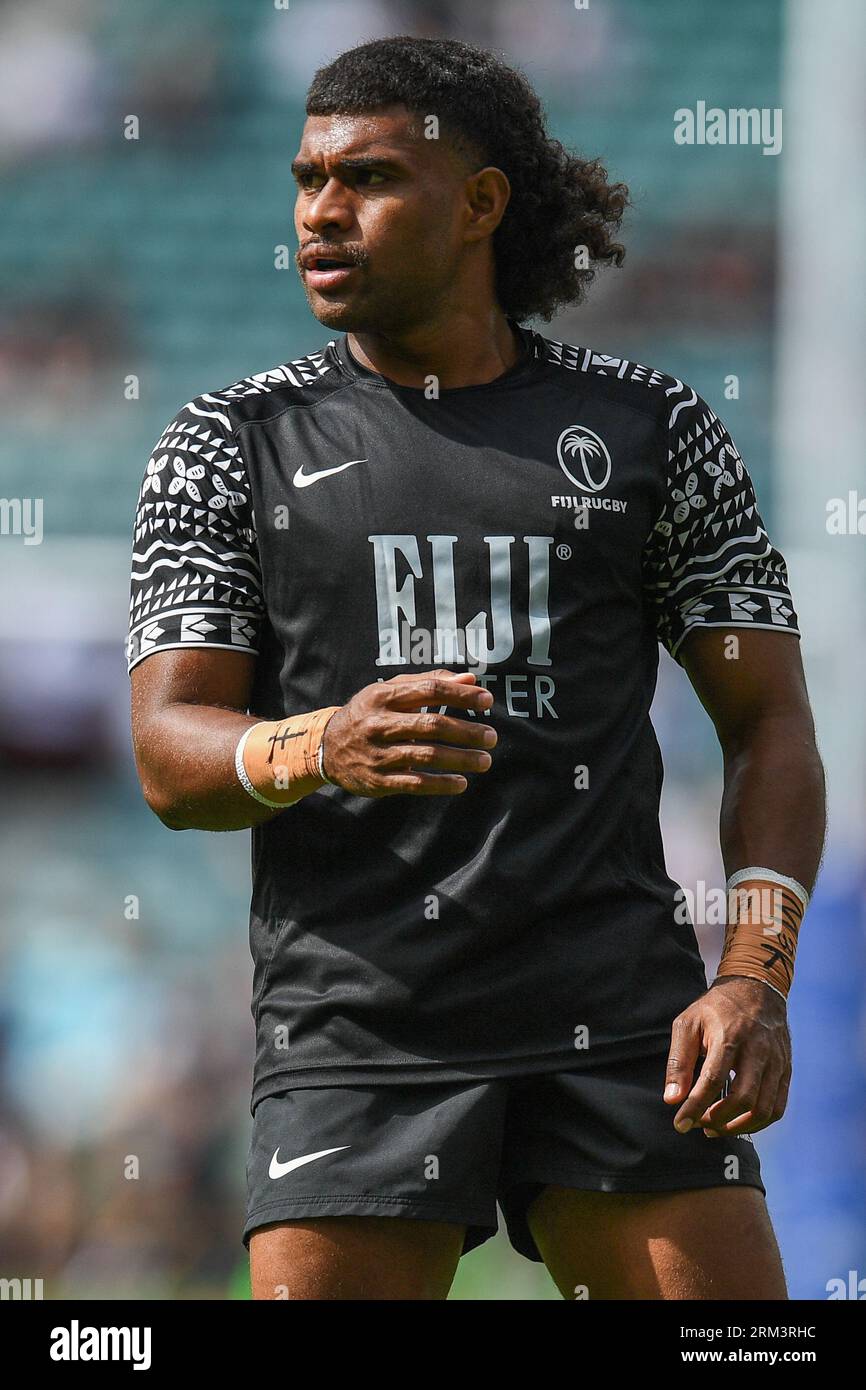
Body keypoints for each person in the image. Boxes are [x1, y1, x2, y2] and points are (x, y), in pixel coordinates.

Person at [127, 36, 825, 1300]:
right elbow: (170, 757)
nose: (319, 214)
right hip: (359, 1028)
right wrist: (318, 744)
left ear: (481, 205)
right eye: (305, 179)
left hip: (622, 1022)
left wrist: (752, 978)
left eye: (370, 177)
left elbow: (769, 723)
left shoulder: (651, 428)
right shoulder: (230, 444)